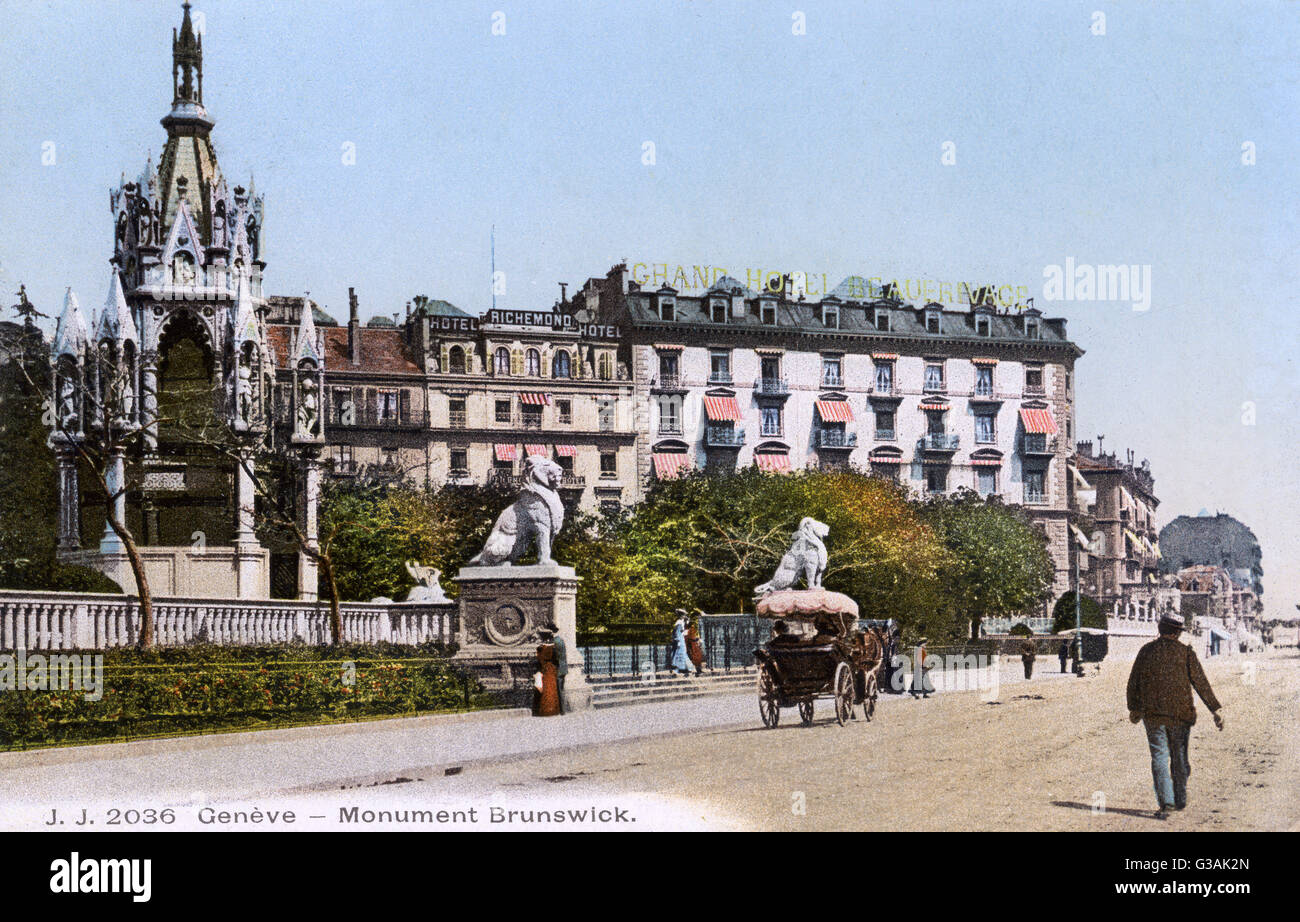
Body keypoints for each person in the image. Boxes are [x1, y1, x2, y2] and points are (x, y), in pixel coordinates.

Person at [1126, 612, 1224, 817]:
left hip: (1153, 715)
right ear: (1178, 633)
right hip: (1180, 716)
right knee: (1180, 757)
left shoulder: (1146, 651)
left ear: (1160, 629)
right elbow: (1200, 682)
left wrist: (1134, 708)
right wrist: (1215, 709)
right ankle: (1179, 797)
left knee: (1159, 757)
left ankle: (1166, 803)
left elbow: (1133, 681)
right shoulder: (1185, 653)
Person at [532, 629, 562, 717]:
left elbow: (539, 659)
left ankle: (545, 710)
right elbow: (557, 660)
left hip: (545, 669)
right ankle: (553, 709)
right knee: (552, 689)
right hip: (552, 670)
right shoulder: (554, 648)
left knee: (545, 689)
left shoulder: (541, 648)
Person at [546, 621, 567, 714]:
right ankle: (562, 710)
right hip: (563, 669)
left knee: (558, 691)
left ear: (551, 632)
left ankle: (561, 711)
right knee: (561, 690)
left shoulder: (554, 643)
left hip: (557, 669)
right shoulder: (561, 640)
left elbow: (554, 657)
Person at [670, 609, 692, 676]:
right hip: (679, 639)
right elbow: (677, 632)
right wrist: (678, 640)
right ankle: (677, 669)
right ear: (681, 615)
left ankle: (685, 668)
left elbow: (682, 630)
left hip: (681, 638)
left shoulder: (681, 622)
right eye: (684, 615)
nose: (685, 616)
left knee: (683, 652)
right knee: (679, 652)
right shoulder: (679, 622)